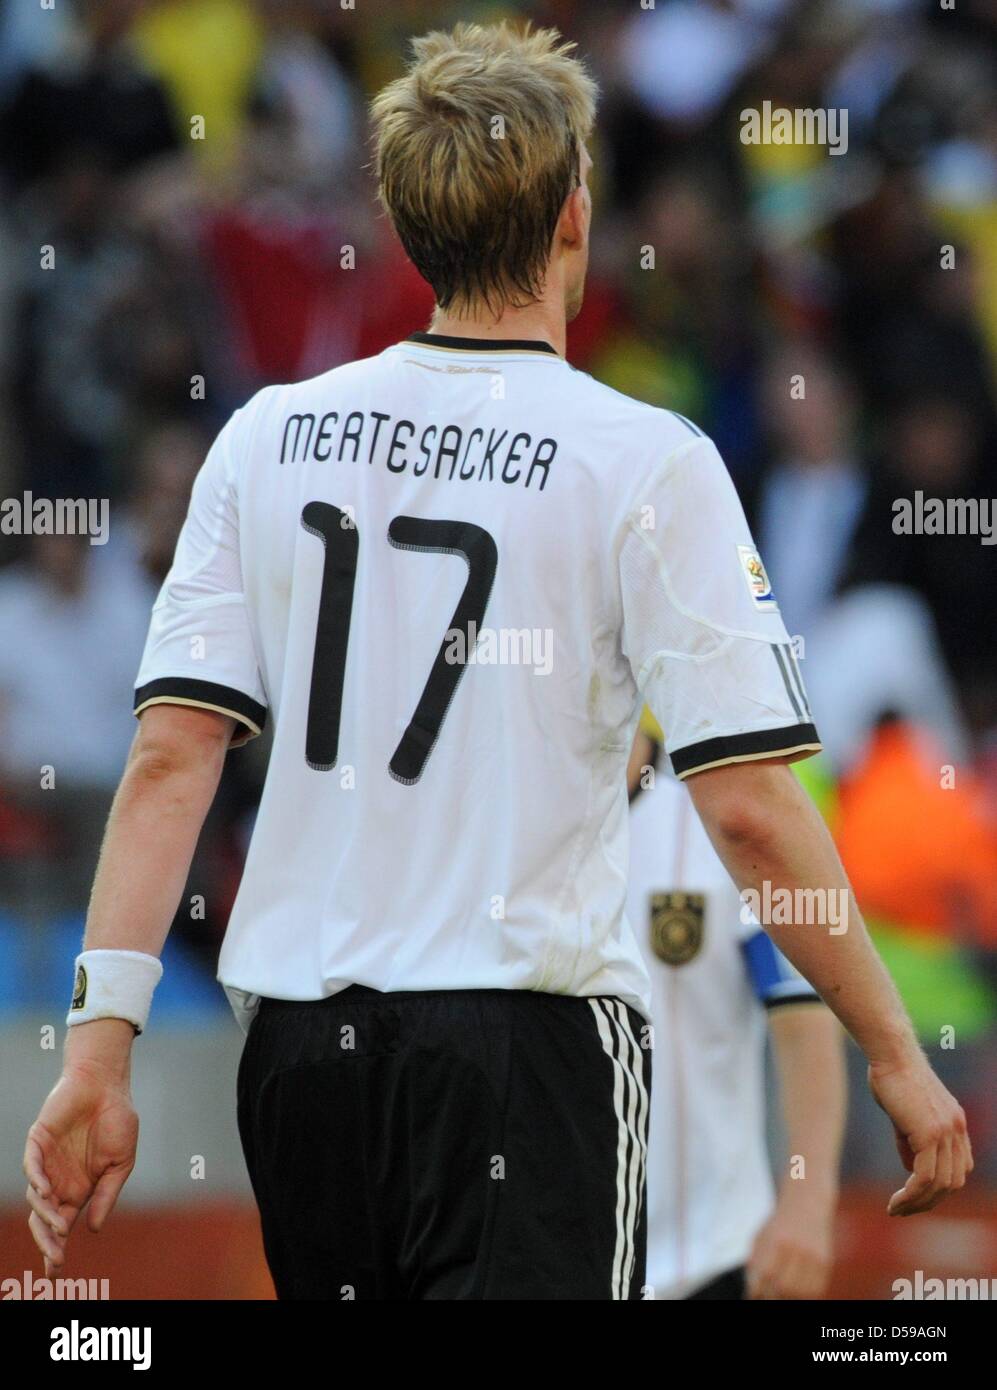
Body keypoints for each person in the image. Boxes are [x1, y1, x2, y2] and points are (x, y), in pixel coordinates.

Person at [25, 22, 971, 1302]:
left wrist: (96, 1051)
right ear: (575, 212)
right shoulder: (644, 456)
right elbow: (748, 803)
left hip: (304, 1057)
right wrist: (896, 1051)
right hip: (527, 1046)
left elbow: (168, 759)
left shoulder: (265, 437)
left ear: (410, 228)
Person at [626, 716, 845, 1300]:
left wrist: (807, 1202)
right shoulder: (512, 846)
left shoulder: (718, 834)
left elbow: (802, 1020)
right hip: (553, 1250)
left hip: (710, 1255)